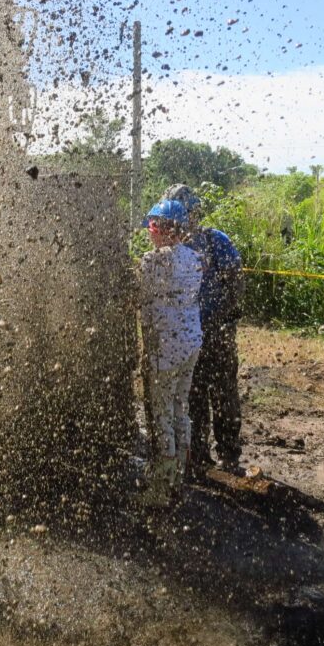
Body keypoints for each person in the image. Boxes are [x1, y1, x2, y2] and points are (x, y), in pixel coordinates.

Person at [162, 184, 245, 476]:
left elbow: (235, 282)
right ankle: (197, 454)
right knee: (193, 396)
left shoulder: (215, 241)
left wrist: (223, 319)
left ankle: (229, 454)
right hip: (187, 334)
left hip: (218, 330)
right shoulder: (170, 247)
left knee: (223, 394)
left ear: (194, 213)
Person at [138, 199, 204, 508]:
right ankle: (179, 477)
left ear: (165, 229)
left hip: (166, 347)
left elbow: (139, 296)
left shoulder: (152, 261)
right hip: (190, 344)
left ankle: (161, 490)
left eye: (152, 226)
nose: (150, 232)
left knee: (162, 412)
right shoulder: (194, 258)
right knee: (181, 407)